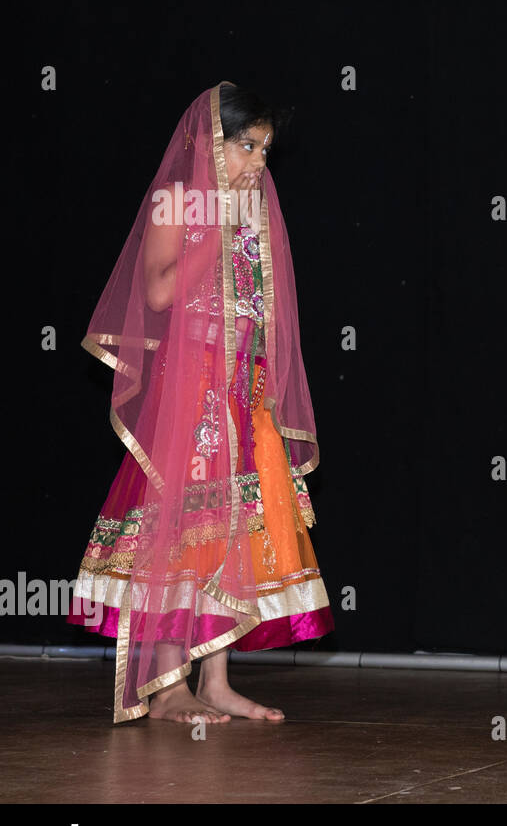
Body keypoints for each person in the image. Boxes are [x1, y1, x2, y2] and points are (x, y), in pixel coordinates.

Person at [70, 83, 333, 724]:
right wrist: (219, 224)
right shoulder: (177, 203)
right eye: (248, 145)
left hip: (245, 389)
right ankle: (165, 689)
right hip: (189, 393)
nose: (258, 162)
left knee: (234, 530)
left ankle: (214, 680)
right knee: (179, 528)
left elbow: (262, 306)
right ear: (212, 140)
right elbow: (159, 293)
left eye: (266, 150)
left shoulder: (257, 209)